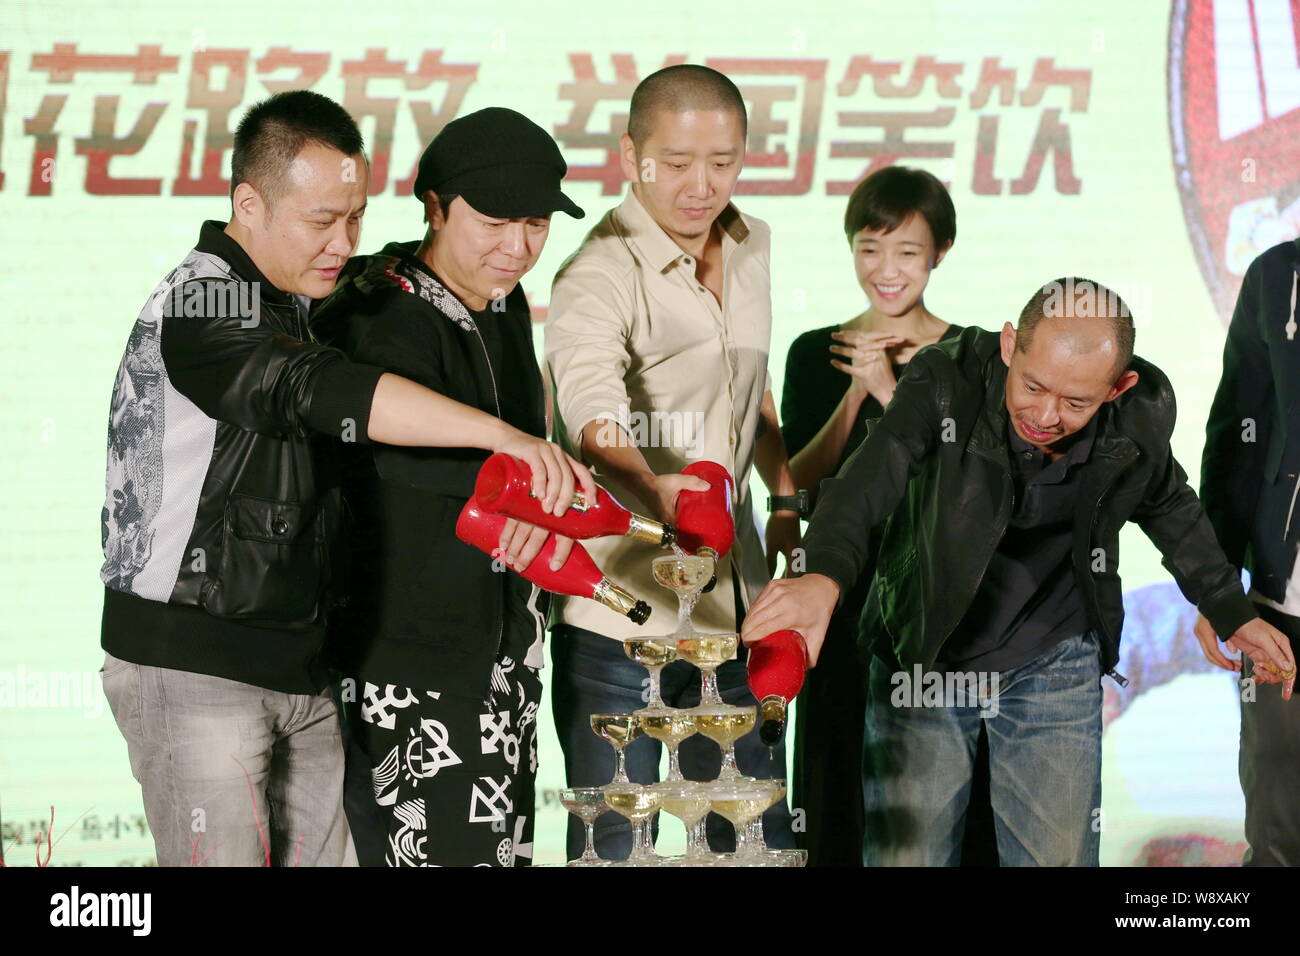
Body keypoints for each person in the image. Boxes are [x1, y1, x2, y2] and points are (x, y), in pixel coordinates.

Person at [99, 91, 583, 867]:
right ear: (248, 204)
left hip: (303, 663)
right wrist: (504, 441)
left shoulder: (306, 297)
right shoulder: (205, 296)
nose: (342, 241)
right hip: (195, 661)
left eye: (353, 217)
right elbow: (312, 389)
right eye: (319, 221)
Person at [741, 276, 1297, 866]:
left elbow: (1168, 505)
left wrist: (1228, 607)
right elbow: (868, 479)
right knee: (909, 859)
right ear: (1009, 344)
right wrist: (821, 576)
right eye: (1034, 386)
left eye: (1077, 402)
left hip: (1054, 658)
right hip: (927, 653)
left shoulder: (1136, 416)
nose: (1047, 415)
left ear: (1118, 386)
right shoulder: (944, 380)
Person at [309, 107, 591, 868]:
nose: (517, 246)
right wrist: (524, 498)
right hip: (412, 672)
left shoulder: (502, 301)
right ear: (434, 206)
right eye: (494, 221)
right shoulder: (376, 308)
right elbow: (379, 453)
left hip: (504, 660)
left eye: (536, 224)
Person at [545, 64, 799, 860]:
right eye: (677, 163)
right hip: (623, 616)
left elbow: (747, 394)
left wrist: (786, 498)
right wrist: (655, 488)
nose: (702, 185)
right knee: (617, 844)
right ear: (631, 156)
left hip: (734, 613)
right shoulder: (596, 274)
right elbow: (592, 419)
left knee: (748, 838)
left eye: (722, 162)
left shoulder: (752, 243)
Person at [780, 165, 964, 867]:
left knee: (929, 803)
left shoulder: (969, 353)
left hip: (935, 606)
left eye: (907, 252)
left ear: (939, 252)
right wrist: (855, 393)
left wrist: (894, 392)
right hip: (837, 599)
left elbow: (963, 488)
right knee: (836, 784)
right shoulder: (814, 350)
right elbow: (798, 482)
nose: (886, 270)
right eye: (869, 248)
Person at [1197, 236, 1300, 866]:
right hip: (1280, 607)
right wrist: (1215, 589)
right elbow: (1238, 432)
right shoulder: (1277, 275)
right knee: (1278, 836)